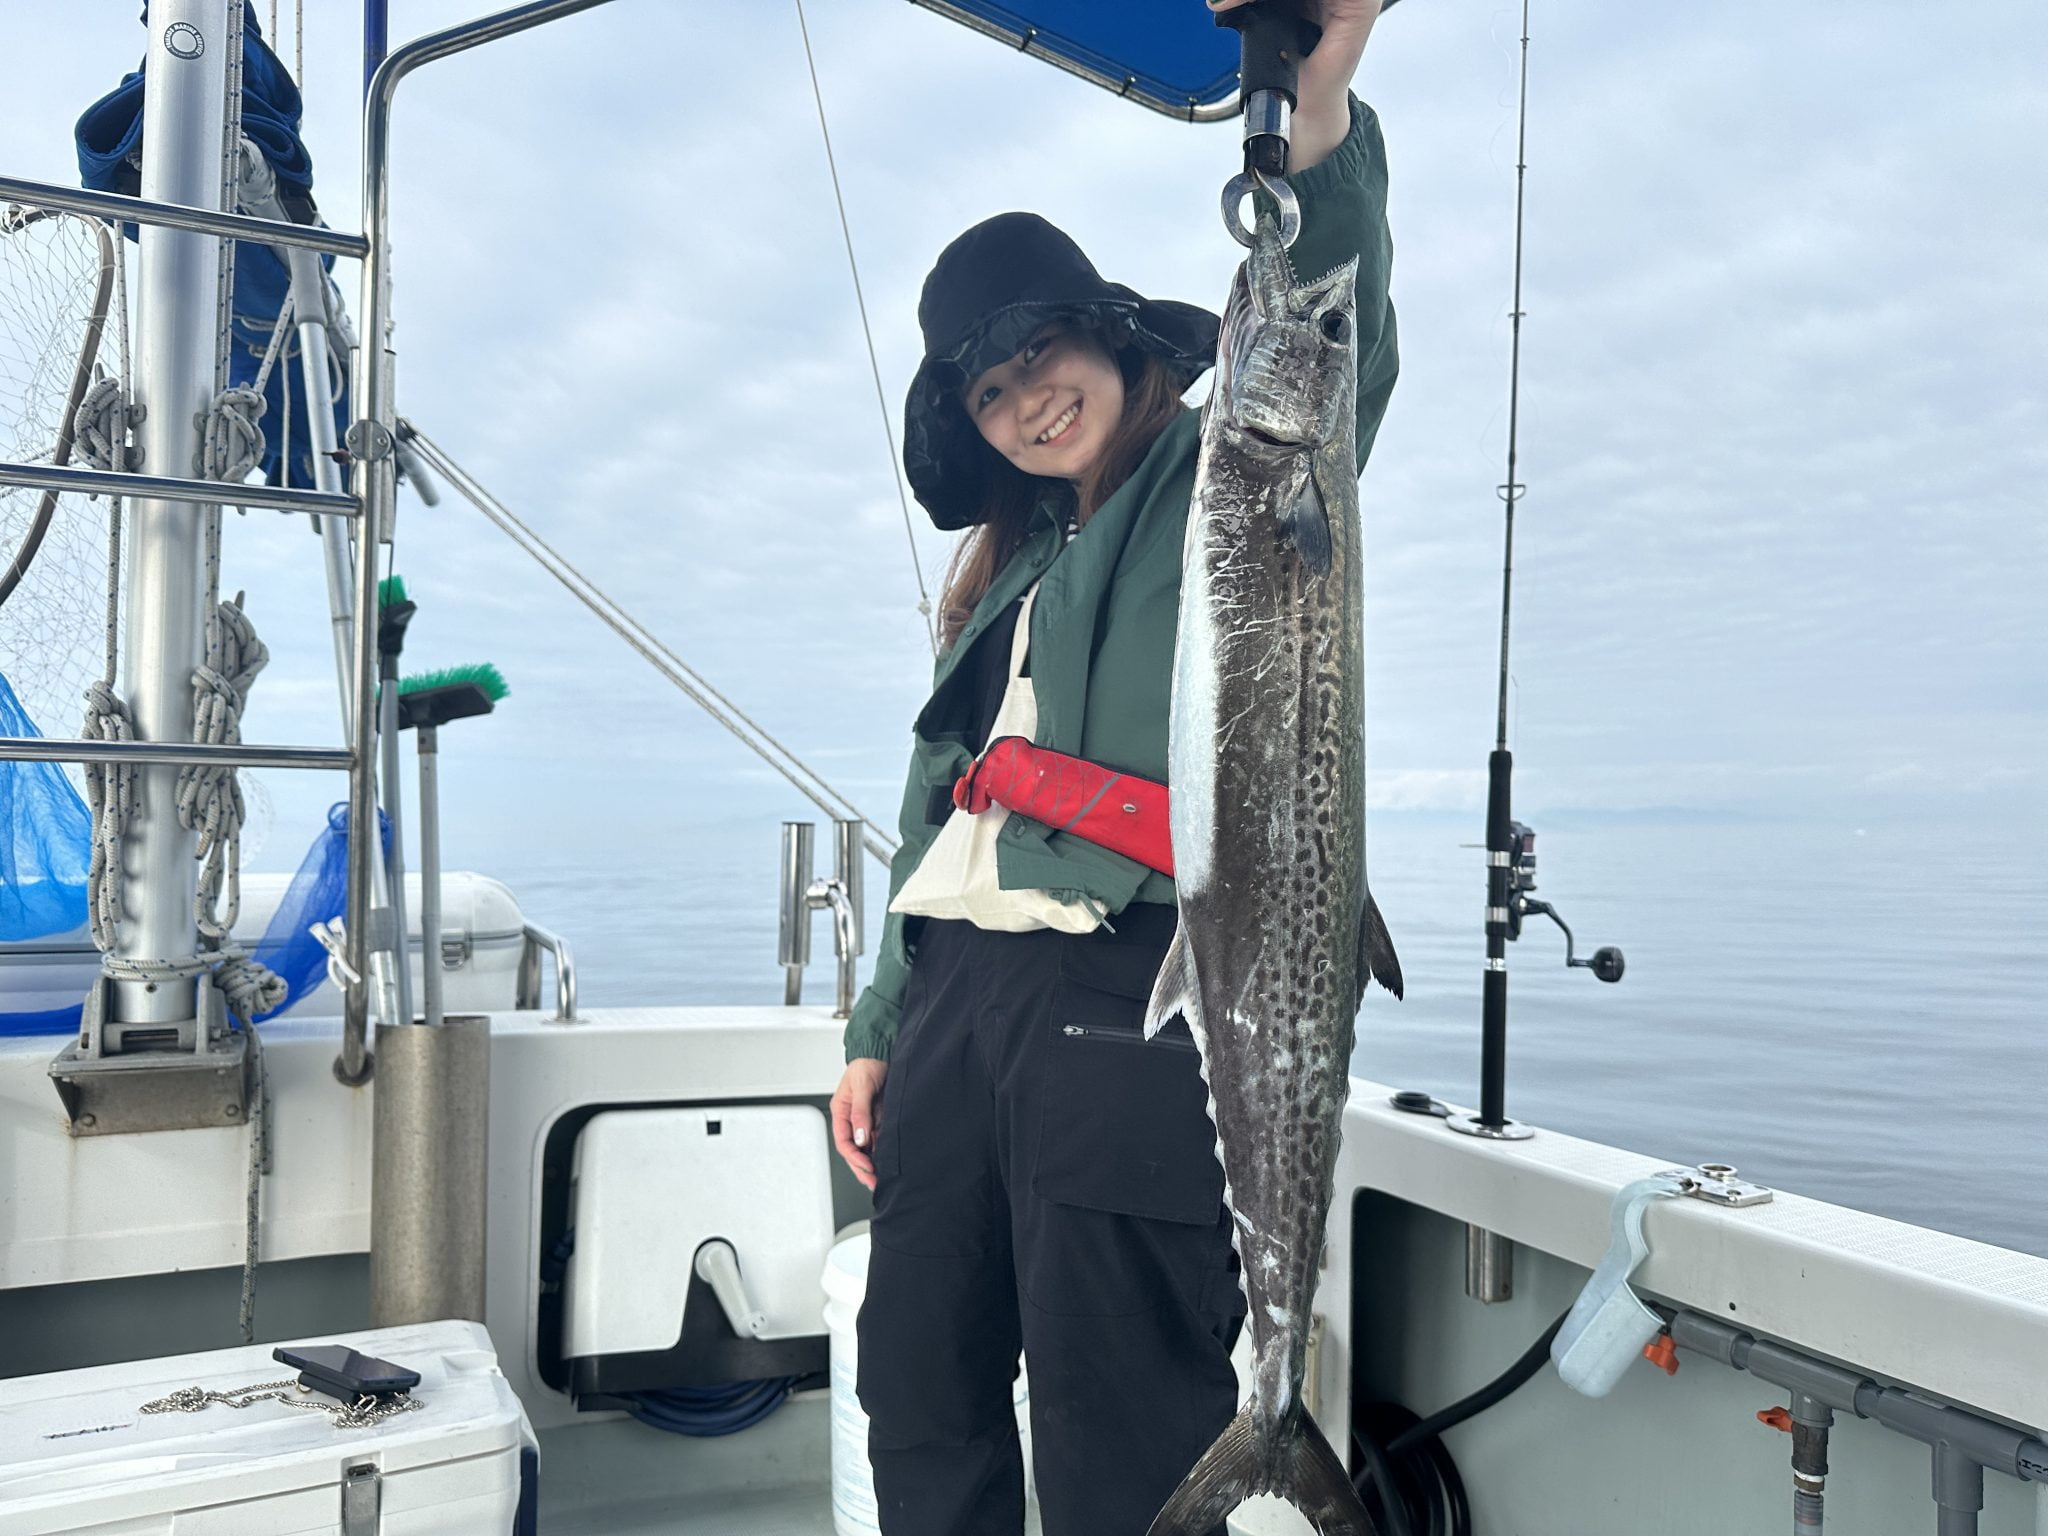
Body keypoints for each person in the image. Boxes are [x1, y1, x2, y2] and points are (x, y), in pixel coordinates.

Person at [830, 4, 1396, 1530]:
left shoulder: (1226, 481)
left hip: (1136, 972)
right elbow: (932, 816)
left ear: (1110, 341)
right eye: (992, 392)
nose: (1028, 400)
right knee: (920, 1384)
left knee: (1114, 1406)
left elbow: (1342, 344)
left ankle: (1255, 1440)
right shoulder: (997, 585)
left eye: (1043, 355)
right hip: (961, 1010)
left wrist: (1323, 112)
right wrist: (884, 1022)